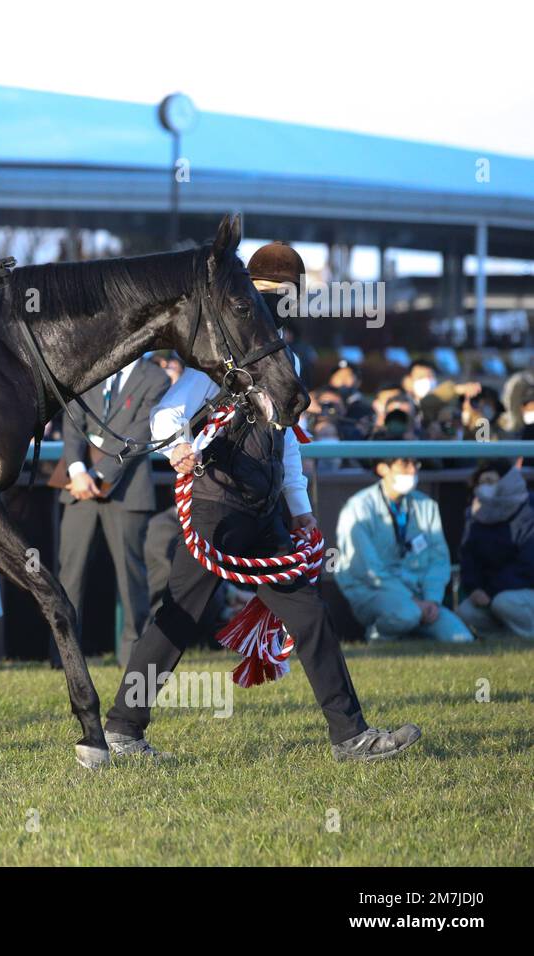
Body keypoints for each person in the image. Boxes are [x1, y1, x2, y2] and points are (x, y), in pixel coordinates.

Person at [102, 242, 421, 763]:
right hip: (214, 509)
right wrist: (178, 447)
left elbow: (288, 440)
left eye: (285, 297)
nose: (278, 306)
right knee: (180, 616)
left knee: (312, 617)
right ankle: (122, 729)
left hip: (265, 509)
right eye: (269, 296)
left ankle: (350, 737)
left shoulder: (286, 359)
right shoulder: (220, 356)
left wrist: (299, 510)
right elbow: (166, 416)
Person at [51, 356, 168, 668]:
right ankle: (66, 658)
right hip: (78, 488)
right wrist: (77, 470)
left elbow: (139, 435)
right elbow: (73, 424)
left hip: (126, 491)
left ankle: (133, 658)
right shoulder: (88, 368)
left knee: (132, 582)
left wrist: (100, 475)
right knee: (69, 576)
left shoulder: (156, 378)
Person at [333, 448, 472, 644]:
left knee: (460, 638)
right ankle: (379, 636)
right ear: (382, 468)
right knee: (407, 614)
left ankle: (411, 631)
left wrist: (432, 600)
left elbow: (439, 559)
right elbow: (368, 570)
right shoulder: (358, 507)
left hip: (421, 597)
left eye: (415, 464)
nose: (412, 470)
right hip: (374, 592)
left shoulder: (426, 505)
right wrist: (413, 601)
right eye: (404, 464)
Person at [457, 459, 534, 640]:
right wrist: (474, 587)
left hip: (519, 591)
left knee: (505, 603)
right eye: (482, 483)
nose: (485, 488)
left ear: (507, 481)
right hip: (492, 593)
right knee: (466, 611)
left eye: (491, 482)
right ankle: (507, 640)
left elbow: (528, 564)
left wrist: (491, 591)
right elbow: (468, 557)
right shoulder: (475, 514)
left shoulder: (528, 511)